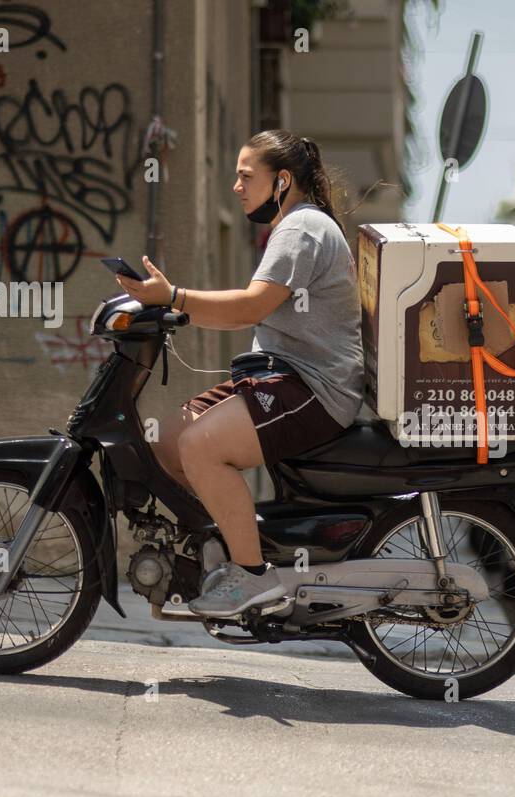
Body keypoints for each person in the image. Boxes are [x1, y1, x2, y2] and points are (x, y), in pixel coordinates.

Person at [114, 130, 363, 617]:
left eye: (246, 176)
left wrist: (174, 298)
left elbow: (250, 308)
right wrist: (170, 306)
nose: (237, 186)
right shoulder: (296, 225)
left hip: (315, 389)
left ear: (283, 180)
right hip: (280, 377)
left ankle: (251, 579)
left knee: (200, 447)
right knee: (167, 442)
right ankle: (225, 550)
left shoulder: (301, 228)